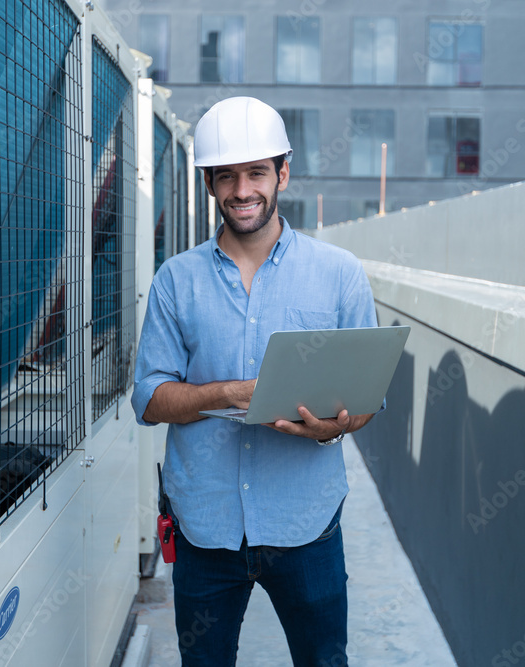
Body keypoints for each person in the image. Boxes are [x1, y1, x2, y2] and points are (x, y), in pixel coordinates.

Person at [131, 96, 380, 667]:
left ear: (282, 173)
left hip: (307, 524)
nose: (242, 190)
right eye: (227, 177)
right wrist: (228, 393)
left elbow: (366, 399)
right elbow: (148, 398)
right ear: (210, 184)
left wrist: (331, 427)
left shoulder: (338, 274)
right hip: (205, 530)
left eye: (256, 173)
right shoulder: (176, 281)